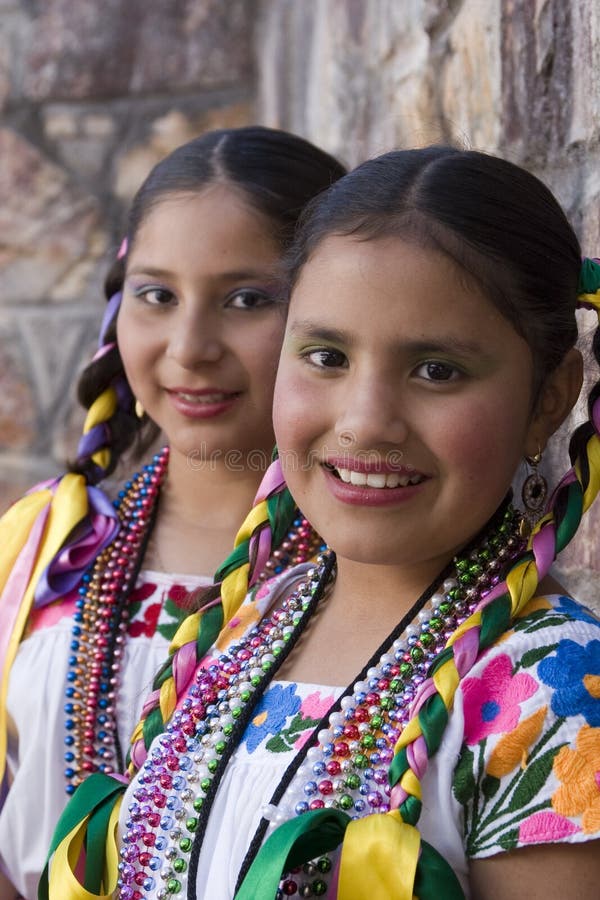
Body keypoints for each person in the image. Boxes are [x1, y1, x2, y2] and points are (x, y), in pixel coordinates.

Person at [44, 146, 600, 900]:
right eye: (326, 356)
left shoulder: (554, 689)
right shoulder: (255, 612)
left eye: (435, 370)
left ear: (548, 399)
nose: (365, 423)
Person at [0, 125, 346, 900]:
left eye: (246, 299)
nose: (189, 347)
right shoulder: (40, 549)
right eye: (157, 295)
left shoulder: (378, 567)